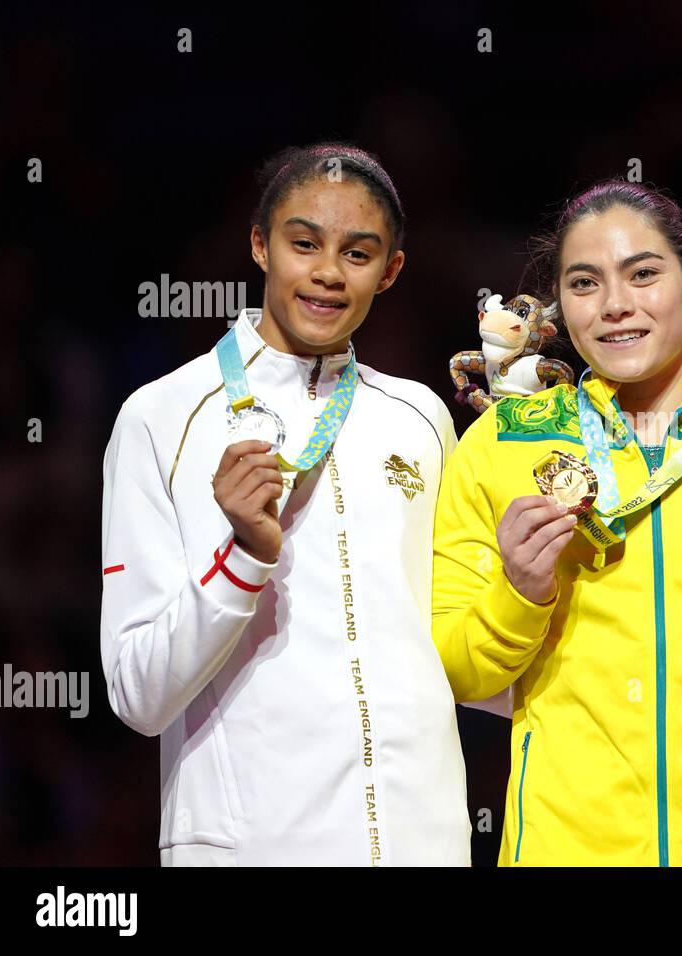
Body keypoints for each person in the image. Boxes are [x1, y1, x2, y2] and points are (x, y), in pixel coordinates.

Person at [431, 180, 682, 865]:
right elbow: (454, 669)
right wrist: (520, 594)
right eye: (585, 283)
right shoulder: (504, 442)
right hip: (563, 848)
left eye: (644, 274)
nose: (616, 306)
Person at [100, 143, 471, 865]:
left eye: (358, 254)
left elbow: (454, 649)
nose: (328, 273)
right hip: (251, 847)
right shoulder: (161, 417)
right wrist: (244, 560)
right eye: (305, 244)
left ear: (391, 270)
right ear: (260, 244)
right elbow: (137, 693)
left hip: (423, 842)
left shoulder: (420, 417)